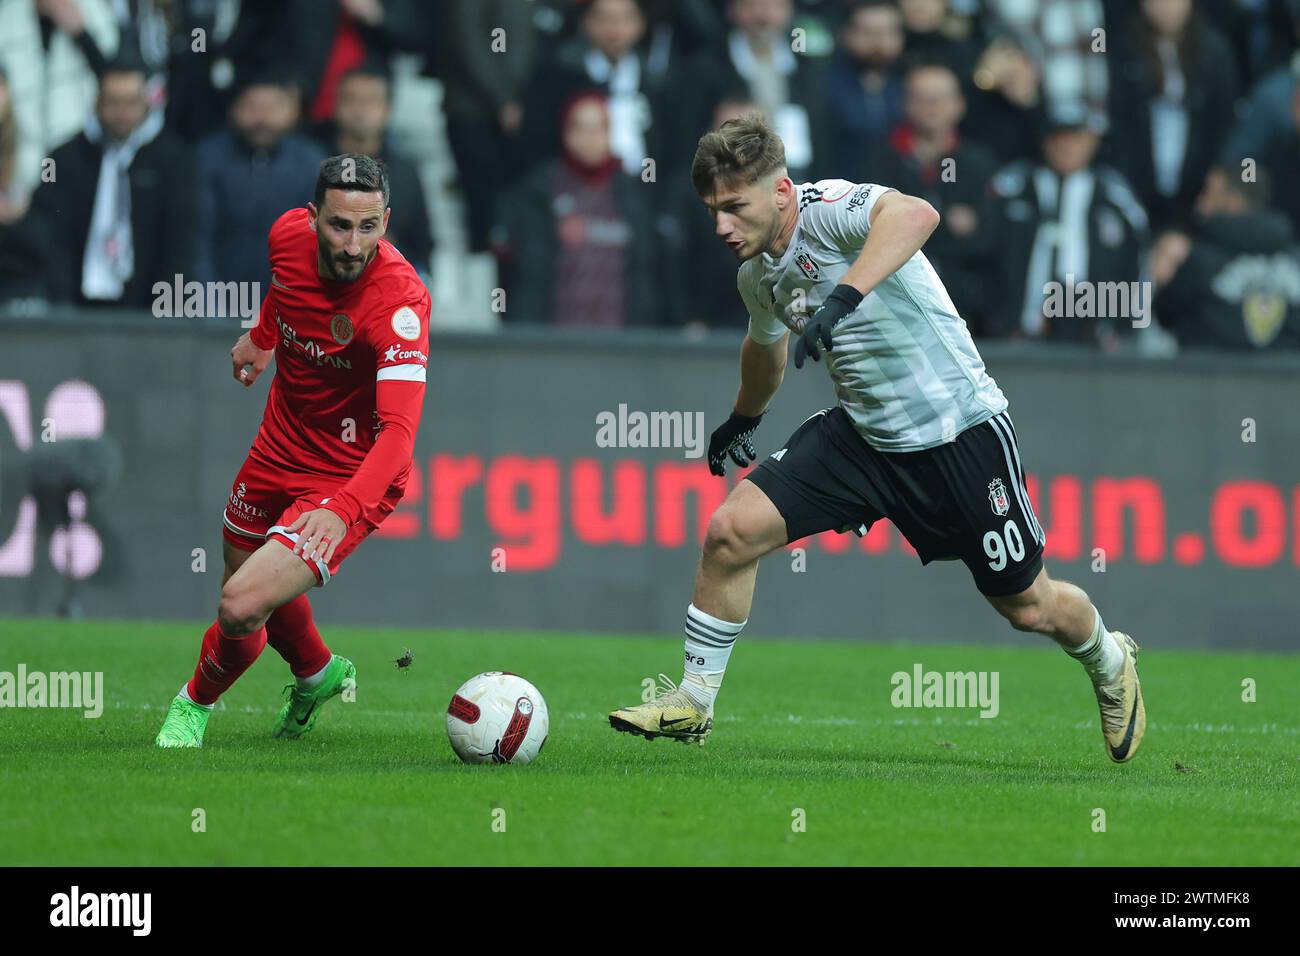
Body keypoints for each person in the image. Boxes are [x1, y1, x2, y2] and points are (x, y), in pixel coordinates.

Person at [607, 114, 1147, 764]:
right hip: (863, 439)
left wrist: (845, 295)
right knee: (730, 532)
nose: (721, 225)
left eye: (733, 206)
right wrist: (743, 417)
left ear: (780, 192)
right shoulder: (757, 275)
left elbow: (917, 214)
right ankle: (693, 703)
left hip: (958, 430)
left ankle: (1110, 659)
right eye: (711, 211)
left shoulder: (829, 208)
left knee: (1029, 607)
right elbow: (765, 347)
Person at [154, 153, 430, 748]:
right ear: (311, 219)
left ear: (387, 221)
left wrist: (343, 508)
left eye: (368, 227)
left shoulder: (400, 305)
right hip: (277, 446)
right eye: (338, 226)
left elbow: (398, 437)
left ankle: (190, 708)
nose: (353, 245)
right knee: (250, 584)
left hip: (347, 476)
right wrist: (261, 337)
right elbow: (285, 291)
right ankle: (316, 672)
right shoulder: (285, 236)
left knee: (239, 604)